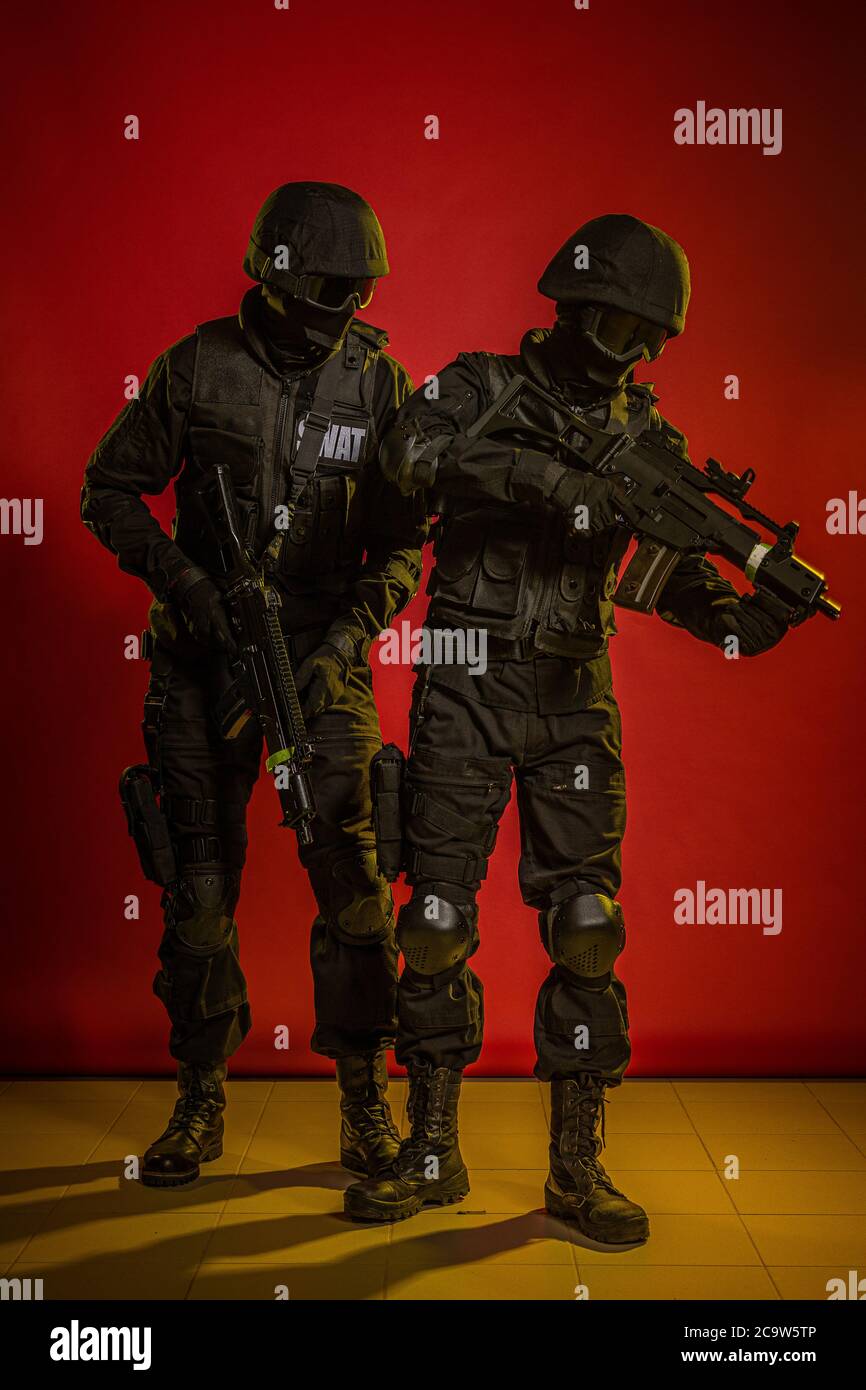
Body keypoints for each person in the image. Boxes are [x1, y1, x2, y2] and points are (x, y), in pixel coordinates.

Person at [344, 214, 806, 1244]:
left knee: (587, 926)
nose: (636, 353)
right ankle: (429, 1149)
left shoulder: (650, 441)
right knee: (434, 923)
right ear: (576, 304)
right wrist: (549, 482)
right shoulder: (474, 386)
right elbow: (402, 458)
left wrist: (734, 619)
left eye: (653, 338)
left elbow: (668, 570)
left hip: (571, 691)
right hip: (463, 671)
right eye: (623, 326)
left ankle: (573, 1167)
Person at [82, 182, 426, 1187]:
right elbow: (107, 489)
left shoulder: (378, 383)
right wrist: (188, 587)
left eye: (362, 290)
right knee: (195, 894)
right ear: (276, 279)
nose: (350, 307)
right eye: (332, 287)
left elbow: (405, 540)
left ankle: (365, 1099)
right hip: (198, 662)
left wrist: (348, 636)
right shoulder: (196, 366)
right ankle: (200, 1096)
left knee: (358, 895)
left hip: (320, 664)